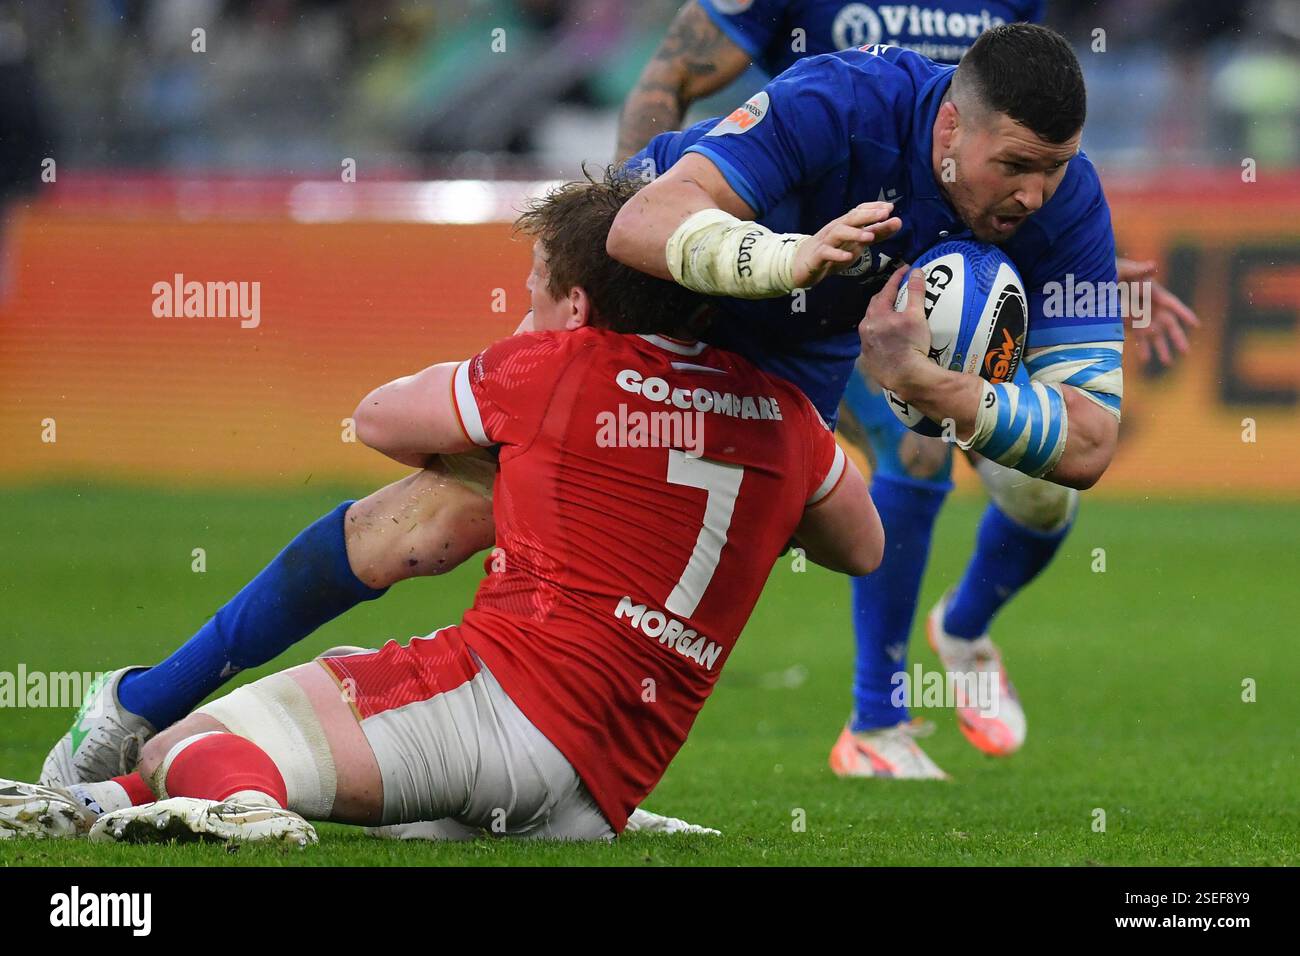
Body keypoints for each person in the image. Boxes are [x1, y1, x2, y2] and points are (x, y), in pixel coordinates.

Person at [2, 168, 880, 844]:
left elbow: (378, 416)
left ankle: (241, 810)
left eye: (535, 286)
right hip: (604, 784)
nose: (523, 304)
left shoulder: (557, 367)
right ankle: (78, 802)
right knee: (348, 670)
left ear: (578, 306)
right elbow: (861, 547)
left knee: (182, 751)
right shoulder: (790, 419)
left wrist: (527, 421)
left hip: (498, 713)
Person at [607, 22, 1152, 776]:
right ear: (953, 126)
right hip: (652, 287)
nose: (1035, 192)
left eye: (1054, 167)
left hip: (806, 336)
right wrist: (789, 255)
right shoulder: (844, 99)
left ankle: (882, 708)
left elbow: (1090, 444)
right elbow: (638, 222)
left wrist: (931, 384)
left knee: (795, 550)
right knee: (516, 487)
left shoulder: (1067, 201)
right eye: (1017, 165)